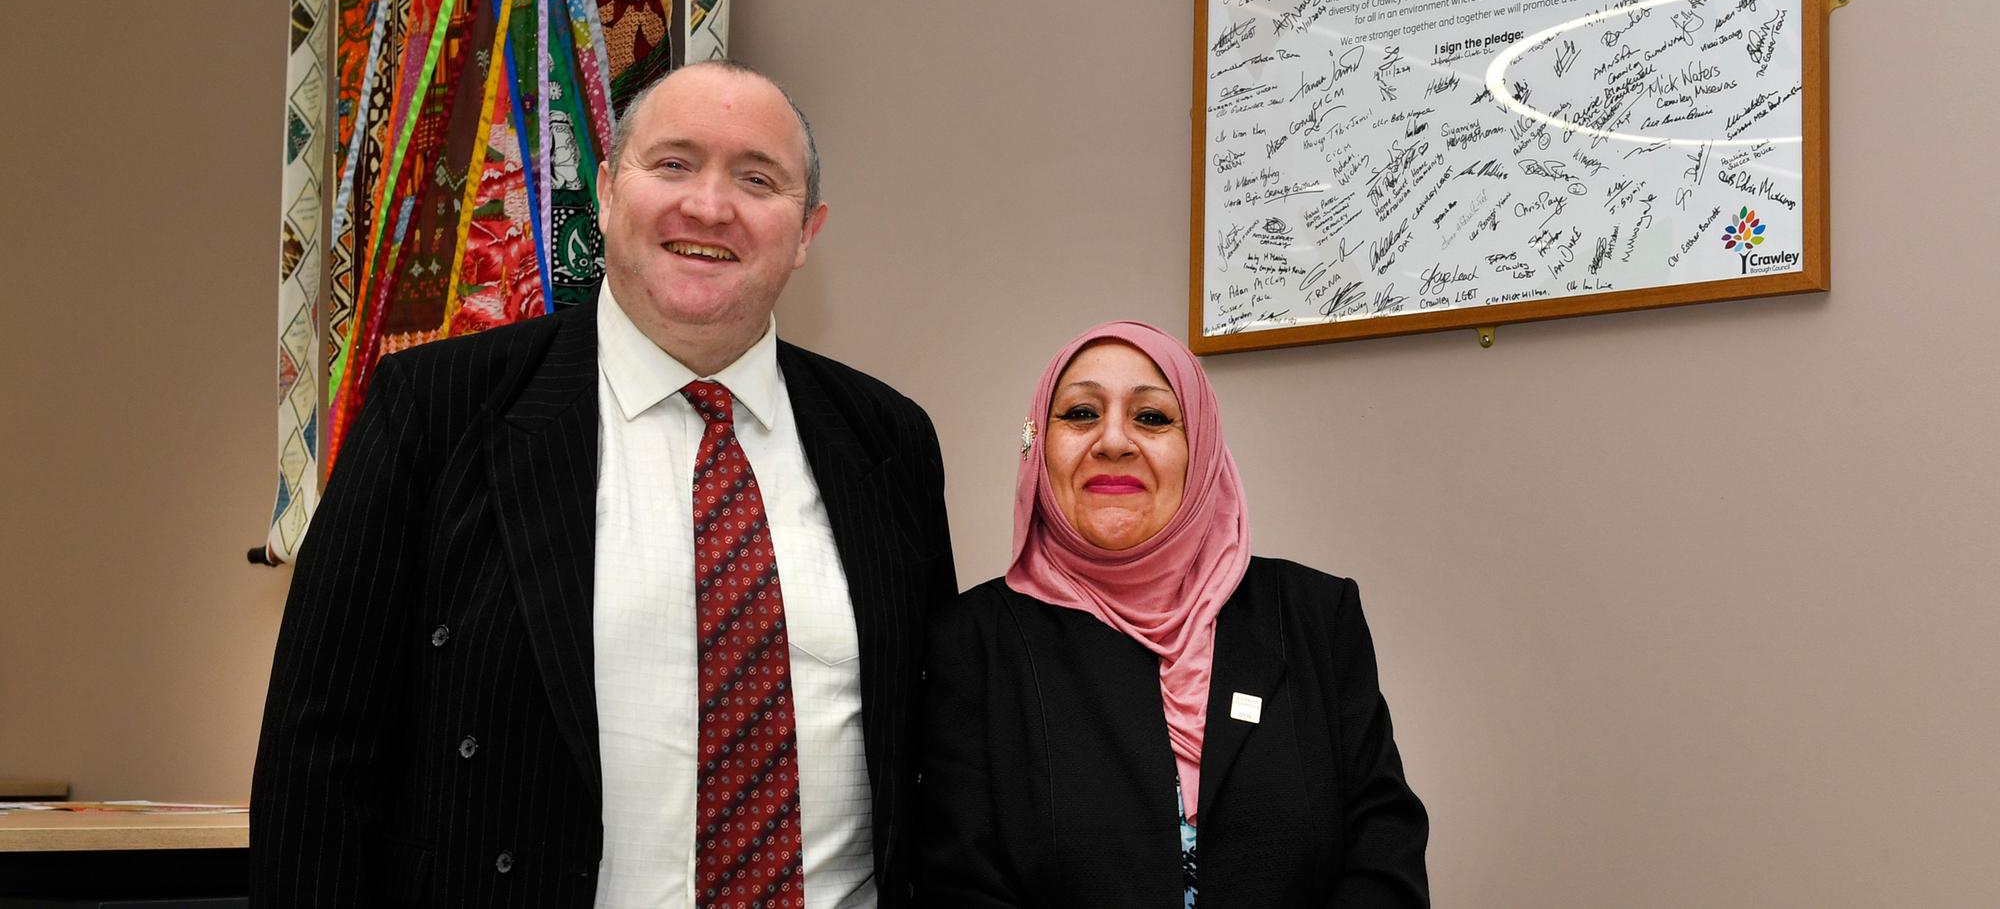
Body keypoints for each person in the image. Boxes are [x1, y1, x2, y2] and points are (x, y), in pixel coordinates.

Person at [252, 60, 956, 908]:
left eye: (757, 178)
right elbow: (317, 760)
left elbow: (932, 762)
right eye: (673, 164)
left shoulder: (889, 443)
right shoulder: (436, 413)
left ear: (807, 231)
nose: (709, 204)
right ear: (608, 190)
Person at [916, 321, 1428, 907]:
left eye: (1152, 417)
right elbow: (960, 884)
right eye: (1081, 413)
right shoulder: (973, 643)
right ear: (1038, 445)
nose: (1113, 441)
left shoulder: (1315, 616)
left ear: (1202, 447)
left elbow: (1384, 849)